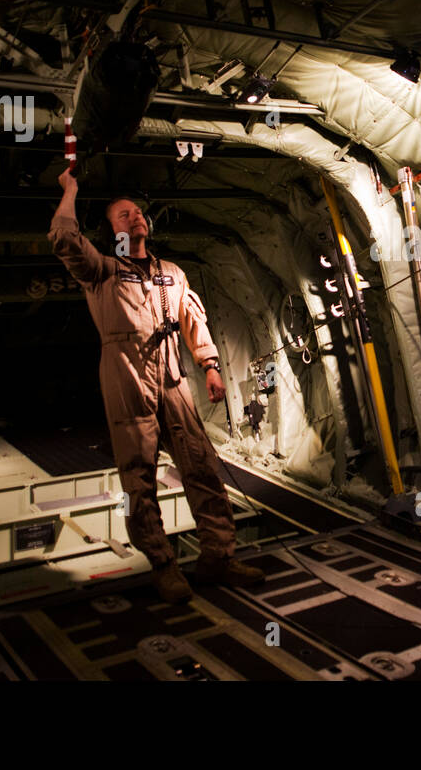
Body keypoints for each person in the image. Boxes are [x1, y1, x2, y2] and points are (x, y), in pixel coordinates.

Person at [49, 168, 263, 603]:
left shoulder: (172, 273)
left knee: (201, 466)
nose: (136, 217)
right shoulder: (103, 272)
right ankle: (163, 564)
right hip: (126, 376)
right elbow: (65, 241)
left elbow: (191, 319)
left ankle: (217, 557)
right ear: (112, 230)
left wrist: (210, 365)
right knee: (138, 478)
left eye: (139, 212)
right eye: (124, 215)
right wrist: (70, 191)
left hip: (173, 378)